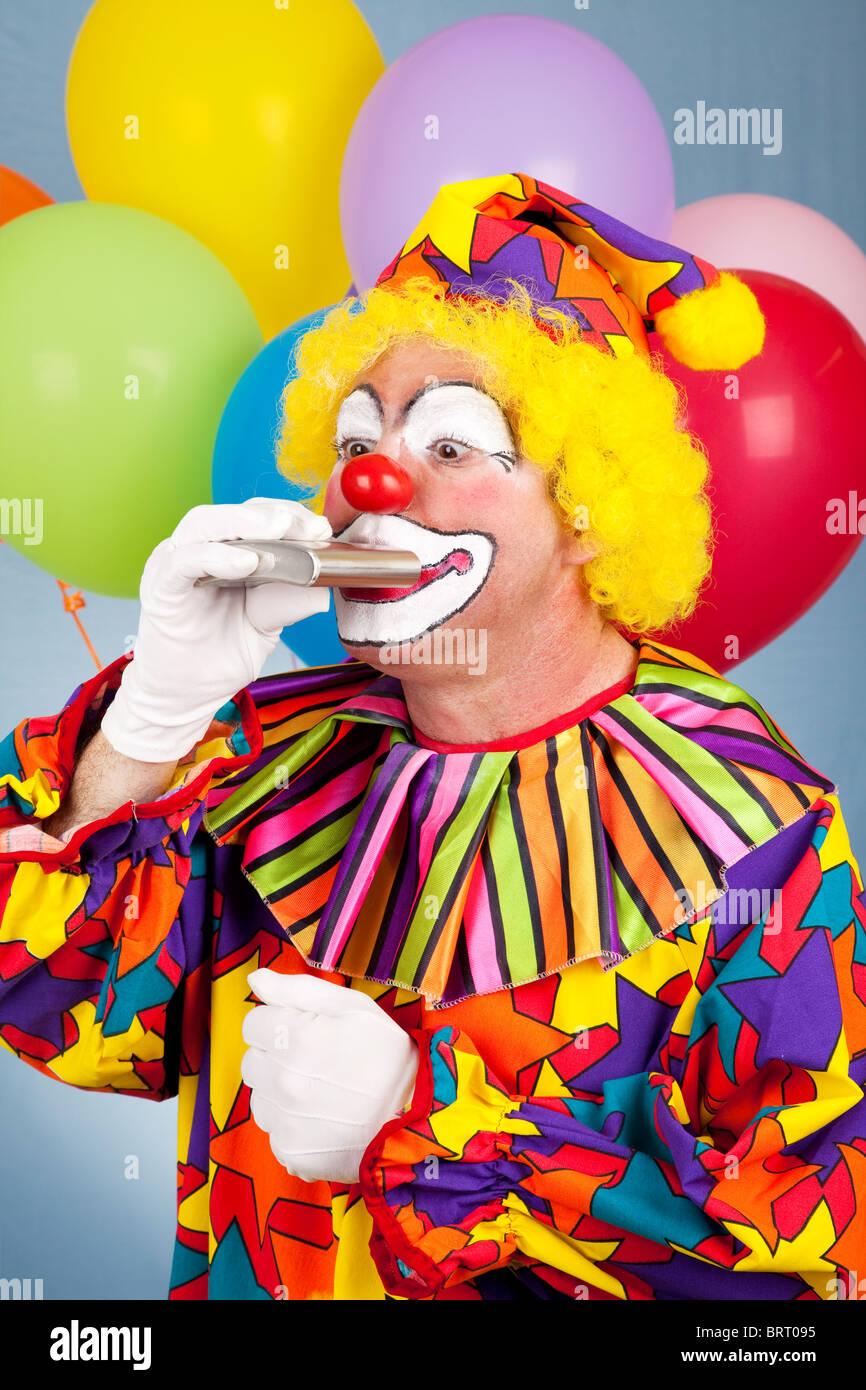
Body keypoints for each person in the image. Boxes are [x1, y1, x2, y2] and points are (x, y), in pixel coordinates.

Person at [1, 172, 863, 1301]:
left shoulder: (756, 832)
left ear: (590, 507)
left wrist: (417, 1127)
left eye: (451, 446)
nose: (372, 482)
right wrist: (155, 713)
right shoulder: (266, 757)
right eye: (357, 436)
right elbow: (63, 1003)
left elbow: (794, 1295)